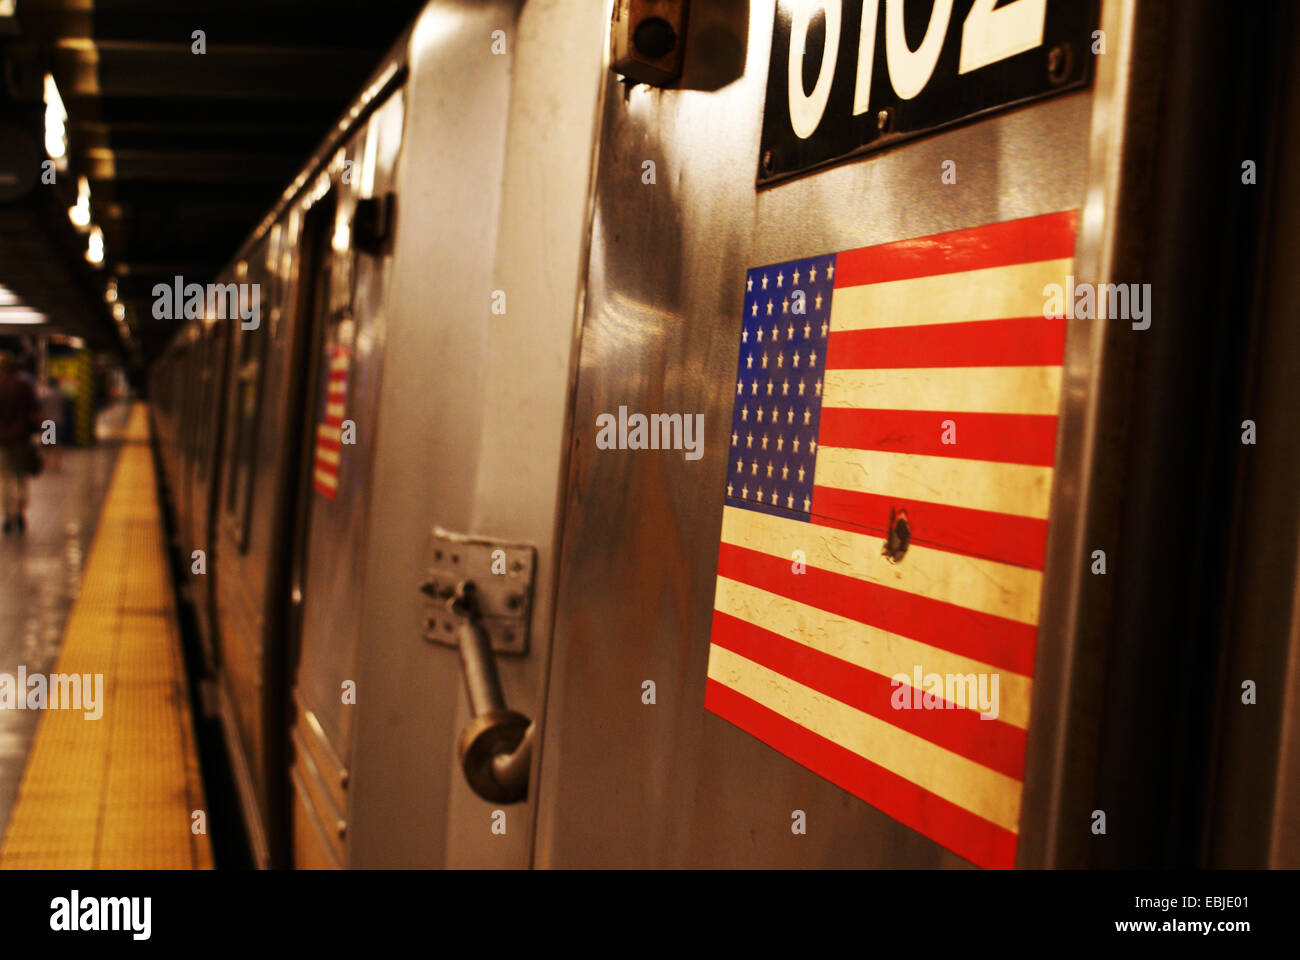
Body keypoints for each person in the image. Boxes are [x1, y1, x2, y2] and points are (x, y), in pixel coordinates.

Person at [0, 352, 40, 533]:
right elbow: (37, 414)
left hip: (2, 443)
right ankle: (20, 512)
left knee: (5, 480)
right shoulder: (24, 386)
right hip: (22, 442)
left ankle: (8, 517)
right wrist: (50, 440)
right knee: (21, 479)